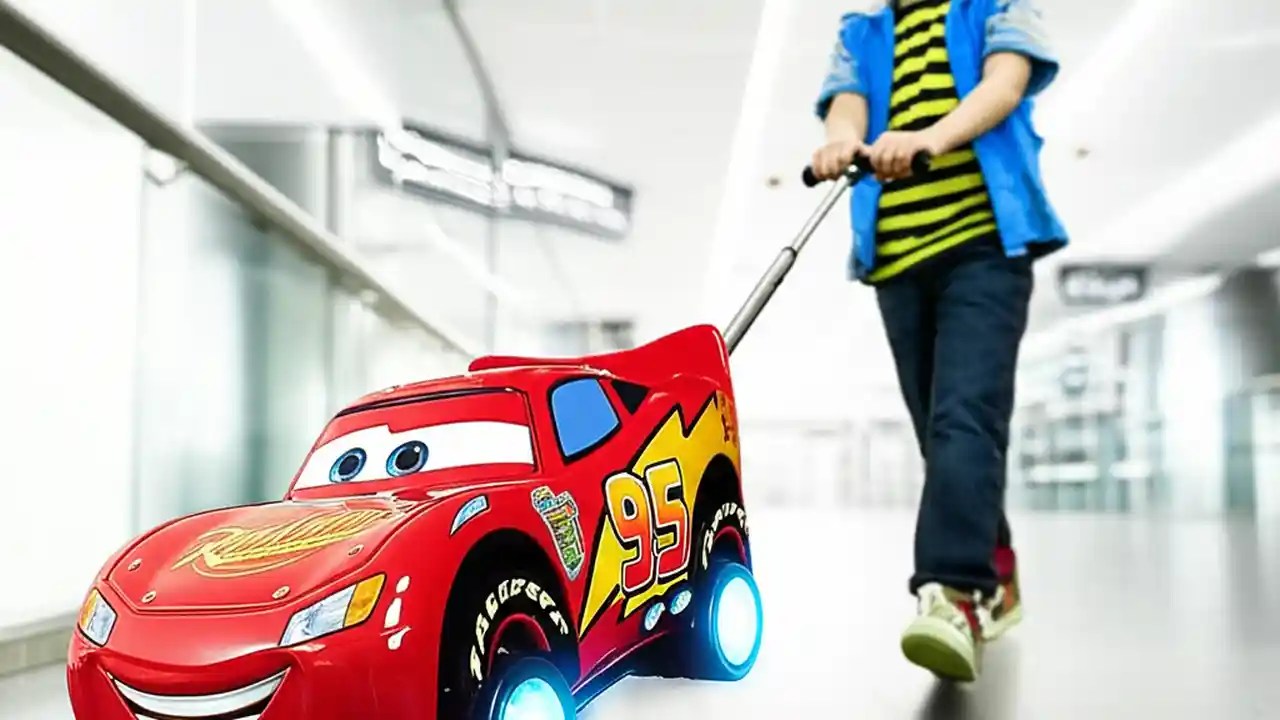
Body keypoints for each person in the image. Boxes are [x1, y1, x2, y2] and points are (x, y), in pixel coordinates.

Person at [810, 0, 1067, 682]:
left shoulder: (993, 6)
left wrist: (929, 137)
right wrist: (841, 140)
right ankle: (998, 571)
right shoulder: (861, 29)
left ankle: (952, 591)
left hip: (984, 247)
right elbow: (847, 105)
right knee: (941, 432)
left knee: (964, 418)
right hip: (896, 259)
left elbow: (1003, 85)